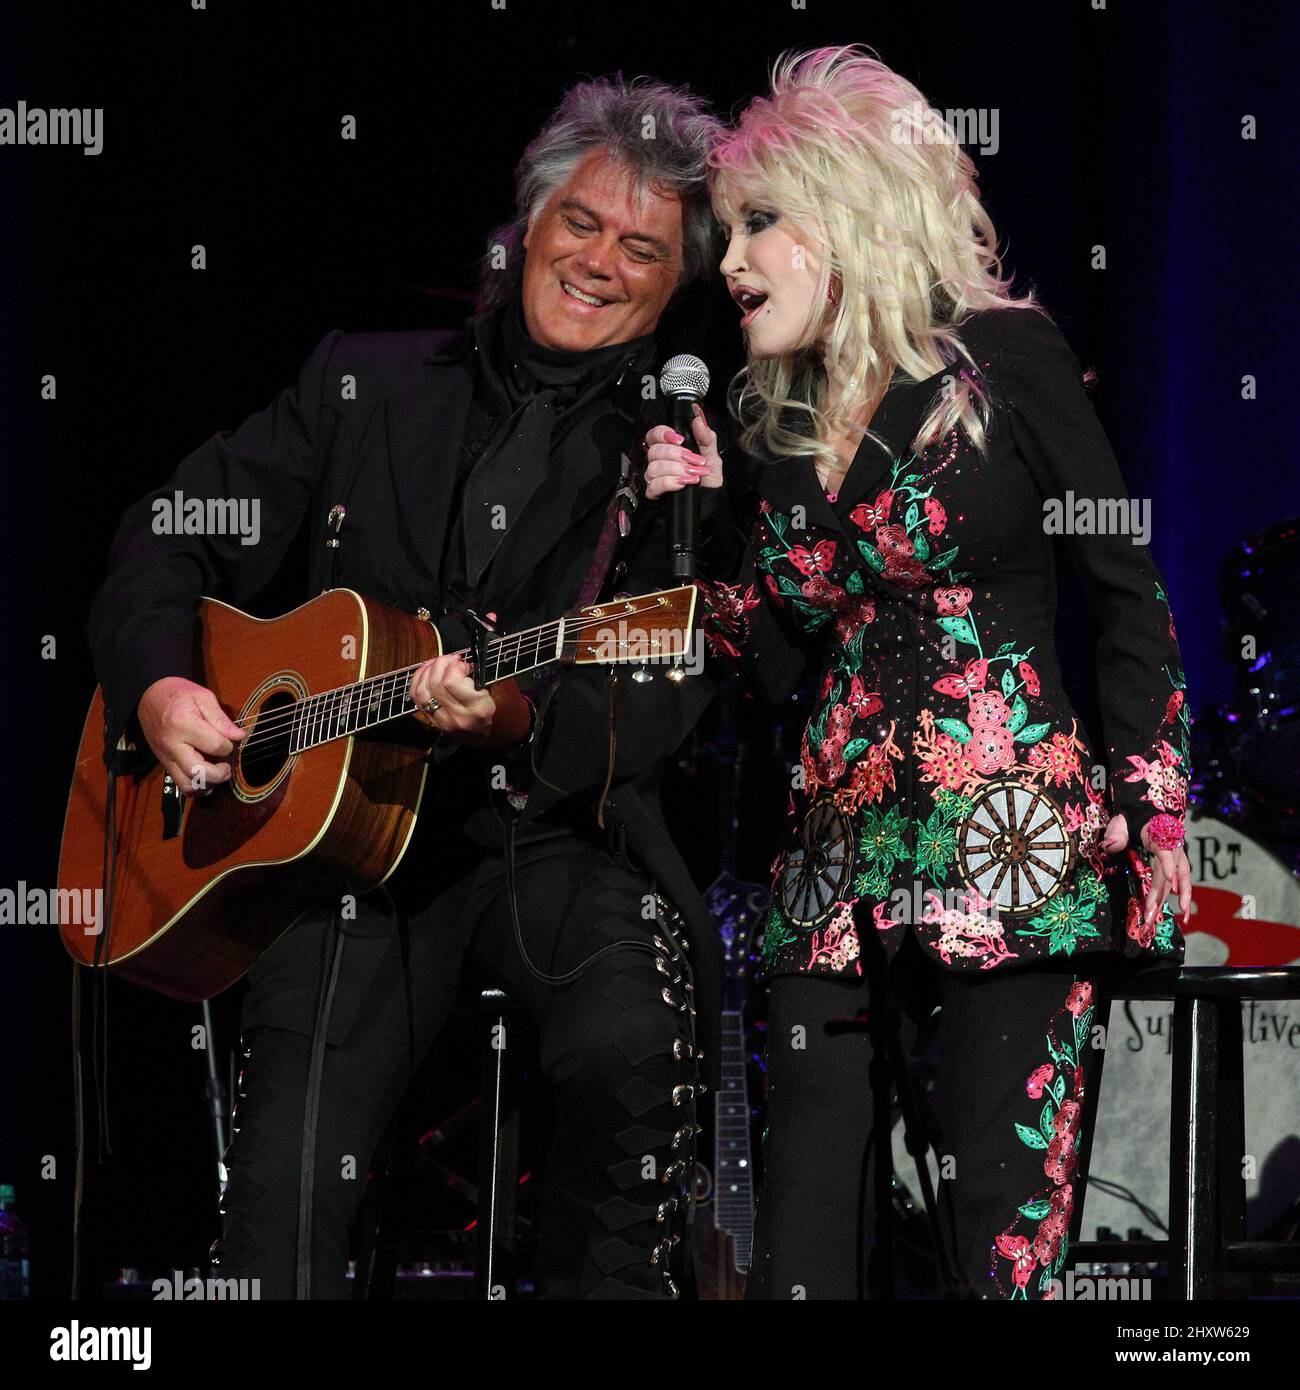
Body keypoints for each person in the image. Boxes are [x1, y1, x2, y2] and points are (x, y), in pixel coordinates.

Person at [85, 74, 734, 1299]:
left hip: (548, 839)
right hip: (340, 856)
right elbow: (173, 529)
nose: (599, 261)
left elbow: (661, 690)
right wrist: (163, 687)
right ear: (529, 223)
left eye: (642, 246)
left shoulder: (681, 451)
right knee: (282, 1190)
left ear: (674, 281)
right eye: (581, 223)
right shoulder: (366, 380)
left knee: (624, 1046)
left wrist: (514, 713)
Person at [645, 45, 1193, 1300]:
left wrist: (1147, 805)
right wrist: (676, 537)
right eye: (728, 232)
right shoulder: (770, 419)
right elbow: (775, 654)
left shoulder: (1002, 361)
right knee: (803, 1247)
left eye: (758, 223)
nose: (727, 263)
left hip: (1007, 842)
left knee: (998, 1240)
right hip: (833, 861)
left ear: (849, 213)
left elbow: (1124, 592)